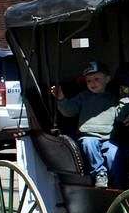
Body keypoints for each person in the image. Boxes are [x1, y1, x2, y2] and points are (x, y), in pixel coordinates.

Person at [52, 61, 122, 189]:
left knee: (113, 154)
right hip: (88, 135)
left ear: (107, 79)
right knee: (88, 144)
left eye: (96, 79)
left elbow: (121, 114)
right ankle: (99, 173)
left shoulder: (113, 98)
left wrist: (126, 102)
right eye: (89, 81)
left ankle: (115, 184)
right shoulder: (83, 97)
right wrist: (61, 98)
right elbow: (69, 111)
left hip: (108, 138)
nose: (92, 83)